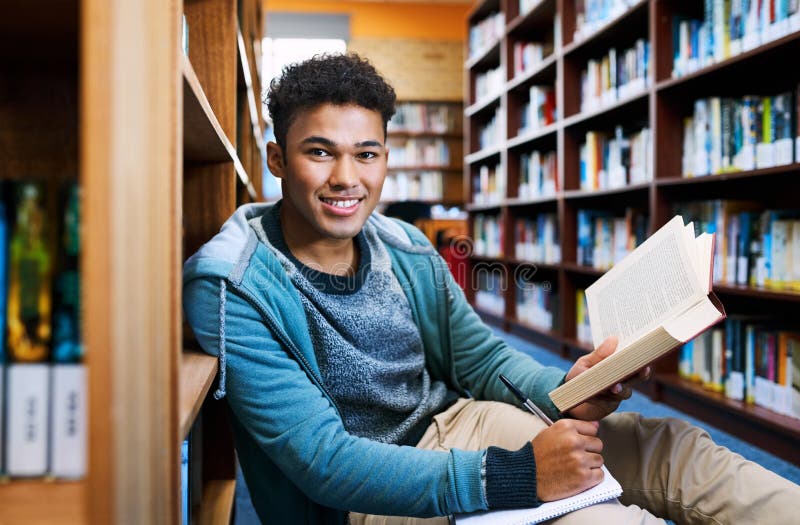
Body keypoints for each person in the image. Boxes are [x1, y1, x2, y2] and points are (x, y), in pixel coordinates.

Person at [183, 53, 800, 525]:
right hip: (371, 497)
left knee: (671, 447)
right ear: (277, 158)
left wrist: (565, 392)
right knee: (597, 516)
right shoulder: (232, 285)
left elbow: (481, 357)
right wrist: (514, 478)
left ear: (385, 159)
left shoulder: (401, 244)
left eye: (366, 154)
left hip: (459, 426)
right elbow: (323, 463)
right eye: (320, 152)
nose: (347, 178)